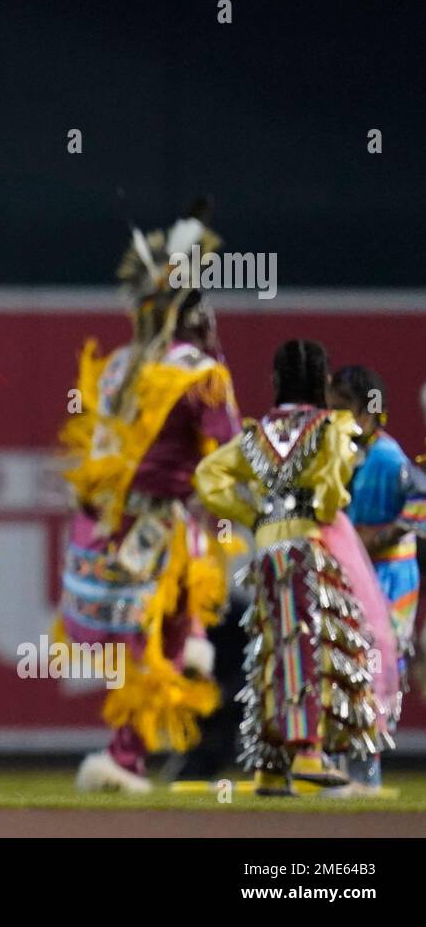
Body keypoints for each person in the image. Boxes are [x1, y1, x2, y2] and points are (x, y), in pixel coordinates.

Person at [58, 202, 241, 793]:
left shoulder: (117, 369)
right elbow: (229, 452)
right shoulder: (200, 374)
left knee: (151, 645)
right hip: (164, 533)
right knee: (154, 648)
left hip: (119, 526)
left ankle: (128, 753)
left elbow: (96, 458)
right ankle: (129, 751)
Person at [194, 340, 387, 796]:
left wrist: (252, 514)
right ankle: (306, 749)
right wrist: (323, 505)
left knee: (270, 646)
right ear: (321, 381)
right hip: (307, 543)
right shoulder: (331, 426)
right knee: (307, 644)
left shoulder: (256, 434)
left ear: (276, 381)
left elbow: (208, 476)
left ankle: (269, 763)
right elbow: (334, 483)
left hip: (266, 548)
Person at [327, 365, 419, 792]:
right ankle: (335, 773)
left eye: (341, 407)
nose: (332, 414)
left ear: (366, 410)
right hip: (346, 576)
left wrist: (374, 537)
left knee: (372, 672)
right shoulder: (336, 452)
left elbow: (418, 512)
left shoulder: (387, 457)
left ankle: (366, 777)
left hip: (388, 581)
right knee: (336, 670)